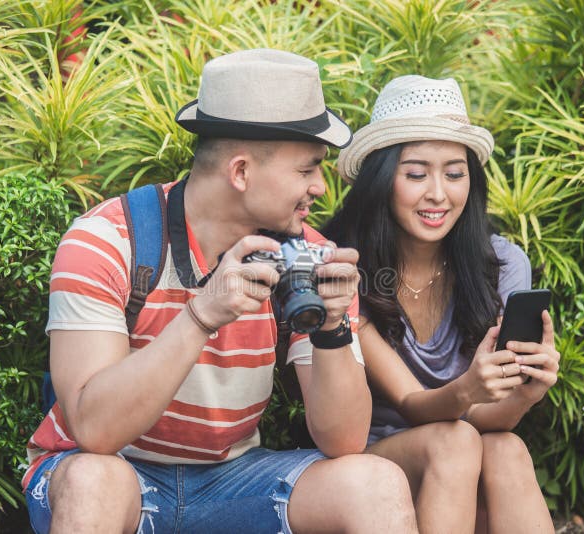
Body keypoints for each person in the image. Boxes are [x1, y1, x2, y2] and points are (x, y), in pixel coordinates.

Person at [20, 49, 417, 534]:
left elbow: (344, 440)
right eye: (307, 168)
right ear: (241, 172)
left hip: (233, 479)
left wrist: (333, 328)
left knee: (374, 482)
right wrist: (201, 315)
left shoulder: (310, 256)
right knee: (94, 479)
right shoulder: (109, 240)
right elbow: (94, 431)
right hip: (111, 470)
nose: (320, 186)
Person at [323, 74, 559, 534]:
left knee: (504, 448)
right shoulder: (347, 269)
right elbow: (412, 404)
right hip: (377, 460)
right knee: (454, 442)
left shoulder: (501, 264)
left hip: (465, 444)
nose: (438, 193)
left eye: (454, 173)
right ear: (380, 180)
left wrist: (526, 395)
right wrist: (469, 389)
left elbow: (487, 419)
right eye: (416, 174)